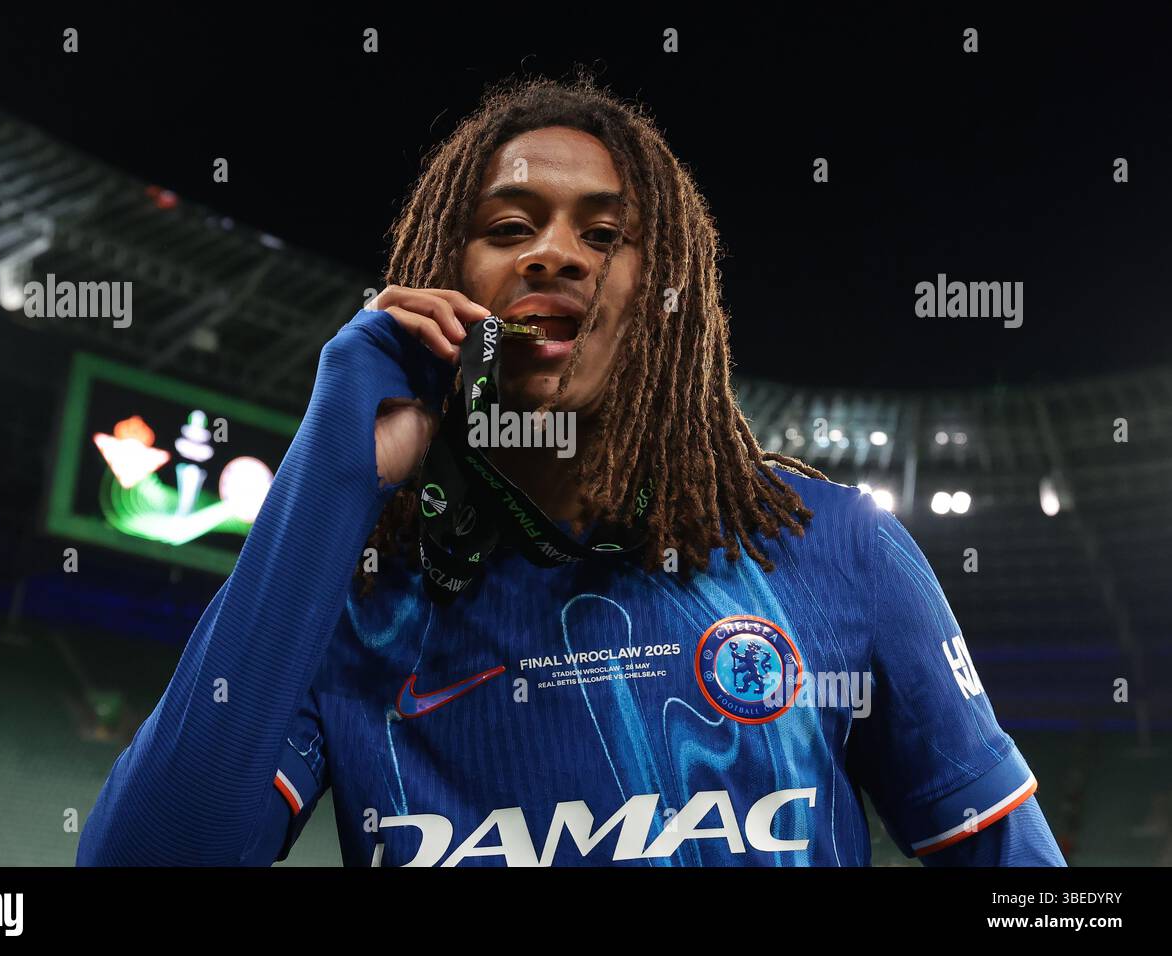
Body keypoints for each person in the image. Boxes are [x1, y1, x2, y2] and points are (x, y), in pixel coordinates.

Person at [77, 73, 1065, 867]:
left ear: (663, 296)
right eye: (509, 228)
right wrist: (327, 485)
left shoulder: (834, 543)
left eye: (605, 234)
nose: (555, 253)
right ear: (444, 279)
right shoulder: (356, 596)